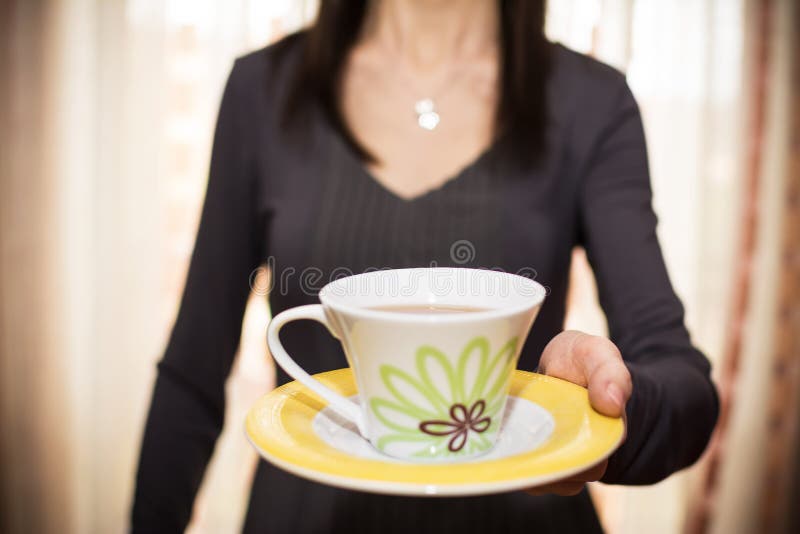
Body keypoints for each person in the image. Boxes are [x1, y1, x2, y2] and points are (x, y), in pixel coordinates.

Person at [131, 1, 719, 532]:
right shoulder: (261, 90)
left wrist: (608, 408)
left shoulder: (592, 101)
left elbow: (685, 387)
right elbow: (192, 376)